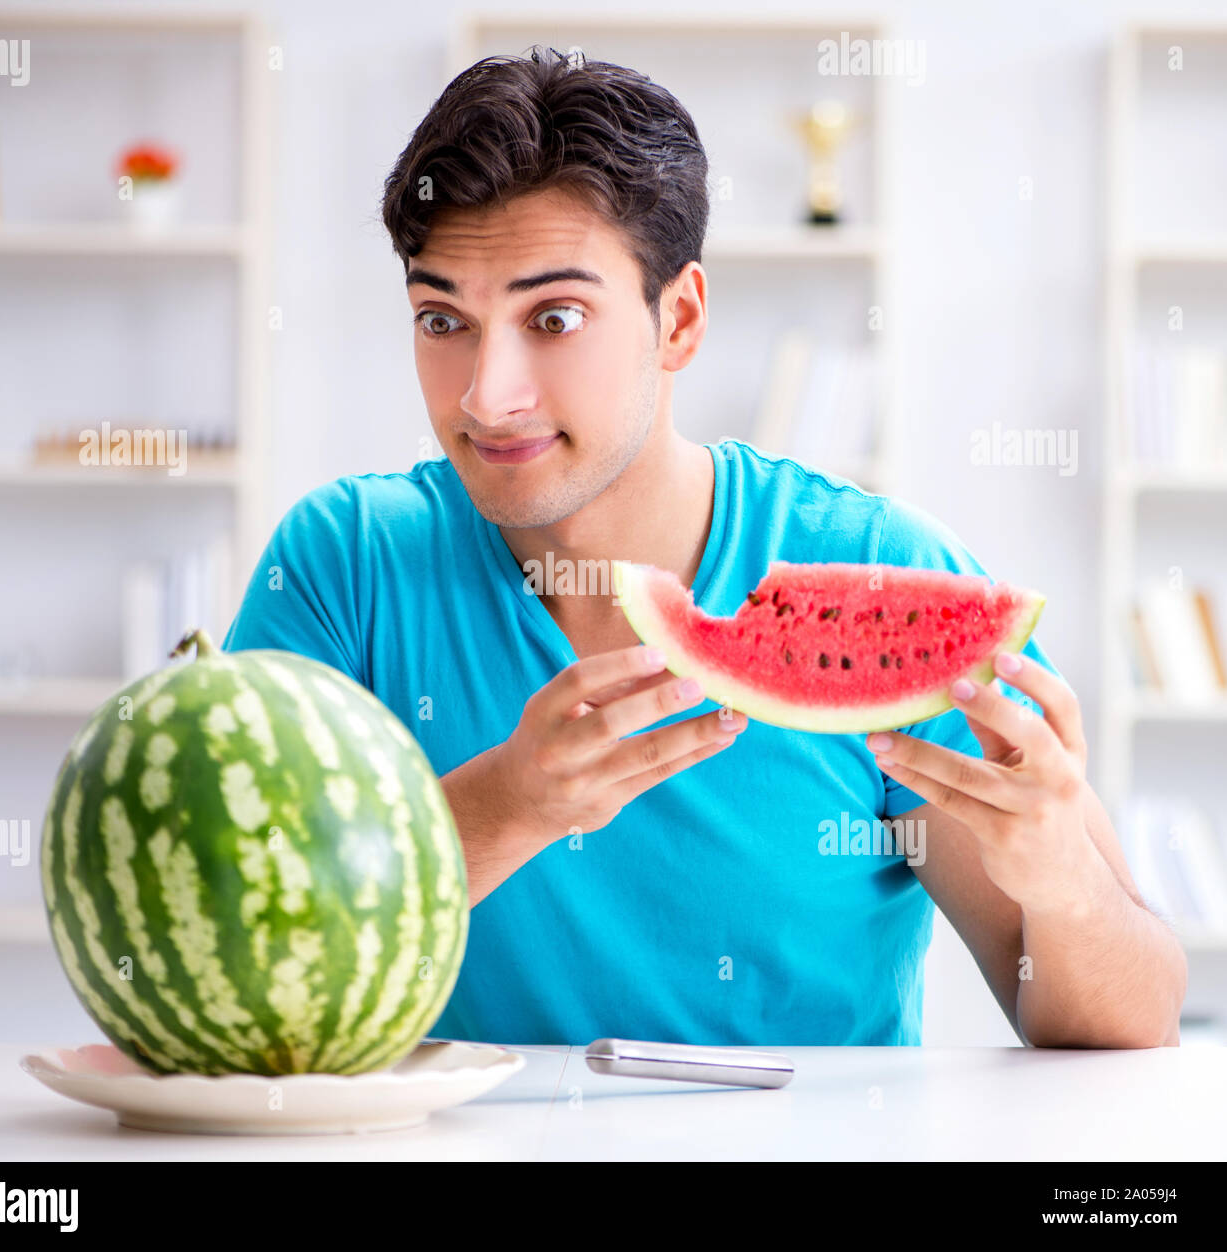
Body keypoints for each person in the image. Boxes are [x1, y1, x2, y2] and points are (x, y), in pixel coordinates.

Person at [224, 47, 1185, 1049]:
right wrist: (503, 808)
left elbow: (1132, 1022)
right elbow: (235, 972)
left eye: (553, 318)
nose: (484, 393)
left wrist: (1066, 888)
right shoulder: (342, 565)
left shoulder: (878, 565)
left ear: (676, 319)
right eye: (442, 320)